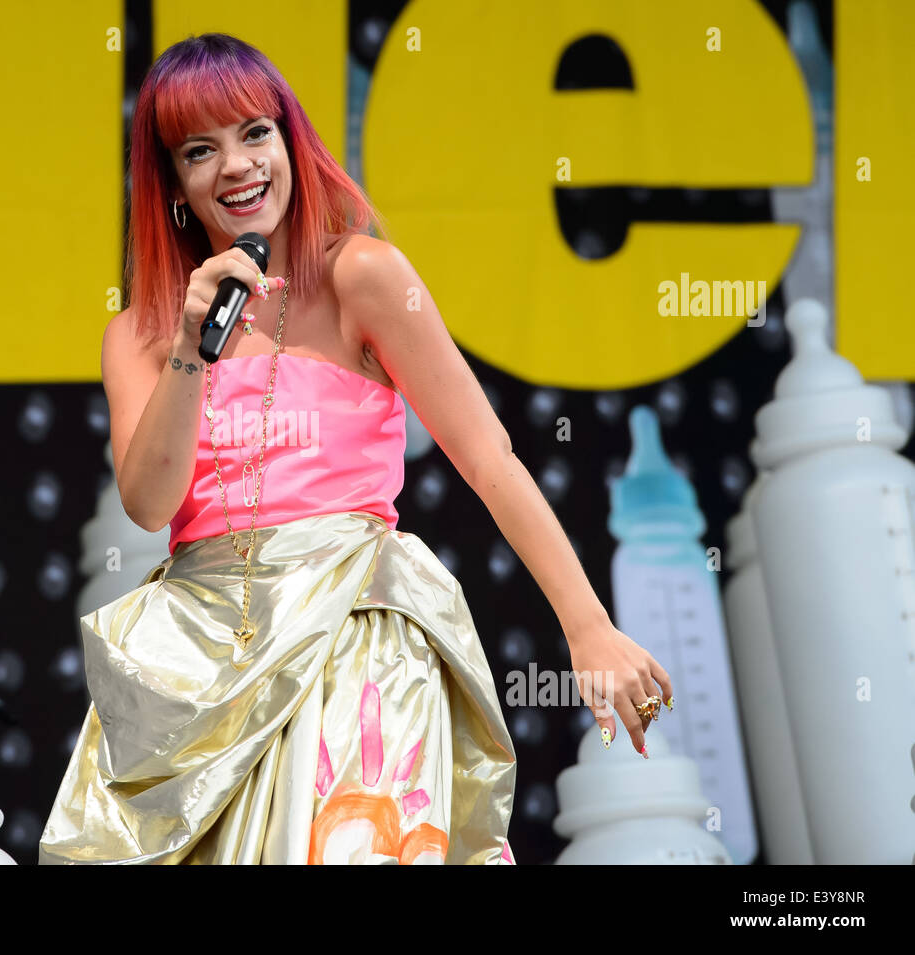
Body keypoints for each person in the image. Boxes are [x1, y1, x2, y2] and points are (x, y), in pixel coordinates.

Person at [39, 33, 673, 865]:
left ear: (290, 142)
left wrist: (589, 628)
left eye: (255, 133)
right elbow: (150, 502)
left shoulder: (362, 276)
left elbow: (489, 458)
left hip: (357, 634)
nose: (237, 165)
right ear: (175, 189)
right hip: (203, 668)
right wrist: (194, 344)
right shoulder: (143, 335)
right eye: (202, 150)